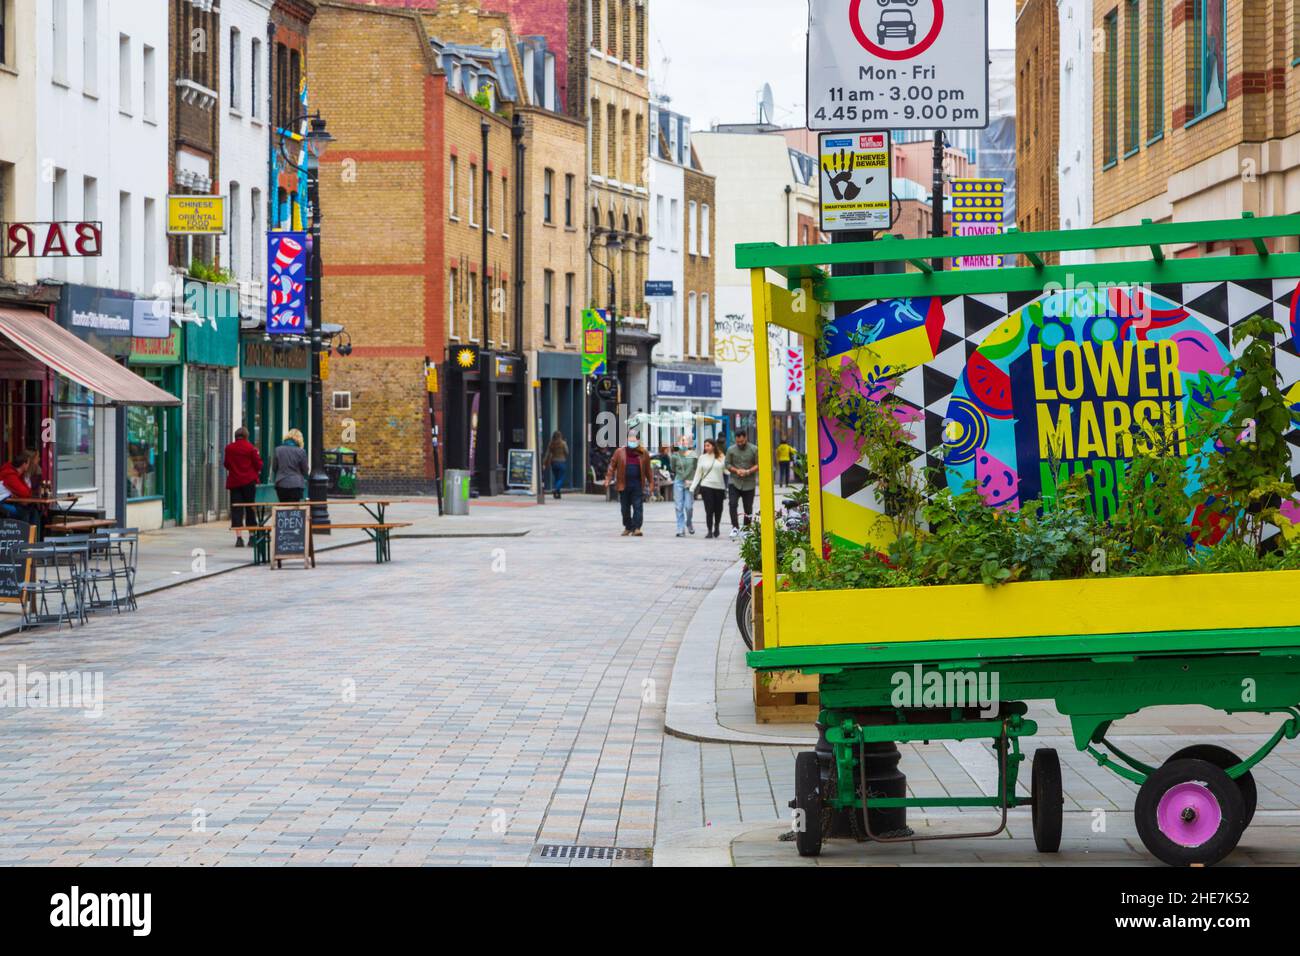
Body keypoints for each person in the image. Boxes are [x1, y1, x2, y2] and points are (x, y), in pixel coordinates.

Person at [604, 432, 654, 537]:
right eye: (630, 440)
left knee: (638, 507)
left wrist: (651, 483)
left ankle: (636, 528)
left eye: (634, 440)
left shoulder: (643, 453)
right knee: (624, 508)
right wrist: (608, 478)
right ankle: (628, 527)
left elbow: (648, 470)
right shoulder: (619, 452)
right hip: (623, 484)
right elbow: (612, 466)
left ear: (638, 441)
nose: (632, 442)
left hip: (637, 485)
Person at [223, 427, 263, 547]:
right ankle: (251, 537)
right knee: (250, 508)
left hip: (235, 482)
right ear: (246, 436)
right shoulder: (251, 448)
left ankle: (239, 538)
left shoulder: (229, 448)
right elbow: (259, 465)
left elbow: (226, 464)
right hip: (249, 482)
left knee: (236, 509)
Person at [725, 429, 760, 539]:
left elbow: (759, 464)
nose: (740, 444)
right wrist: (736, 470)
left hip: (749, 483)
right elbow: (727, 464)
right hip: (734, 482)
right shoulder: (731, 449)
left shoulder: (754, 449)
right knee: (732, 504)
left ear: (746, 438)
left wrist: (748, 471)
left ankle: (746, 529)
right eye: (738, 442)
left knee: (748, 507)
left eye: (742, 441)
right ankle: (735, 527)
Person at [691, 439, 727, 539]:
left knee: (718, 509)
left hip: (719, 487)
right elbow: (698, 473)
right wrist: (693, 487)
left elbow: (726, 471)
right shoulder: (702, 458)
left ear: (713, 446)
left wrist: (734, 470)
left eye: (708, 445)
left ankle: (717, 527)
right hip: (706, 486)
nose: (706, 447)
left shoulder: (721, 456)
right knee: (709, 509)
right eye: (705, 446)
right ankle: (709, 530)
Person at [0, 450, 41, 525]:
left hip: (6, 501)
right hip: (1, 503)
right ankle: (23, 536)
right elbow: (24, 493)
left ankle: (34, 536)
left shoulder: (18, 474)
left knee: (34, 512)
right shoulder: (9, 474)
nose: (29, 465)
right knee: (24, 513)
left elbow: (27, 491)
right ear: (24, 464)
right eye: (28, 463)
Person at [670, 437, 698, 537]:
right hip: (678, 482)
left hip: (689, 482)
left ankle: (689, 522)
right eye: (681, 441)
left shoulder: (693, 455)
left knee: (689, 506)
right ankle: (680, 528)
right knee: (679, 506)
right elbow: (673, 468)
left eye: (685, 440)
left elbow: (696, 468)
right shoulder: (674, 456)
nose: (683, 442)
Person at [273, 428, 310, 503]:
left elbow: (274, 468)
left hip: (281, 483)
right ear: (300, 439)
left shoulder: (278, 450)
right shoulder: (301, 452)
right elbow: (305, 470)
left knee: (283, 508)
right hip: (296, 484)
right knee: (293, 509)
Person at [542, 430, 568, 500]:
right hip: (562, 462)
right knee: (561, 478)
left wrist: (544, 463)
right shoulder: (563, 443)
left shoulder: (551, 444)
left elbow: (547, 454)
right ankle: (556, 489)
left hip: (554, 463)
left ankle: (558, 494)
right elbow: (567, 452)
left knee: (556, 478)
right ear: (560, 436)